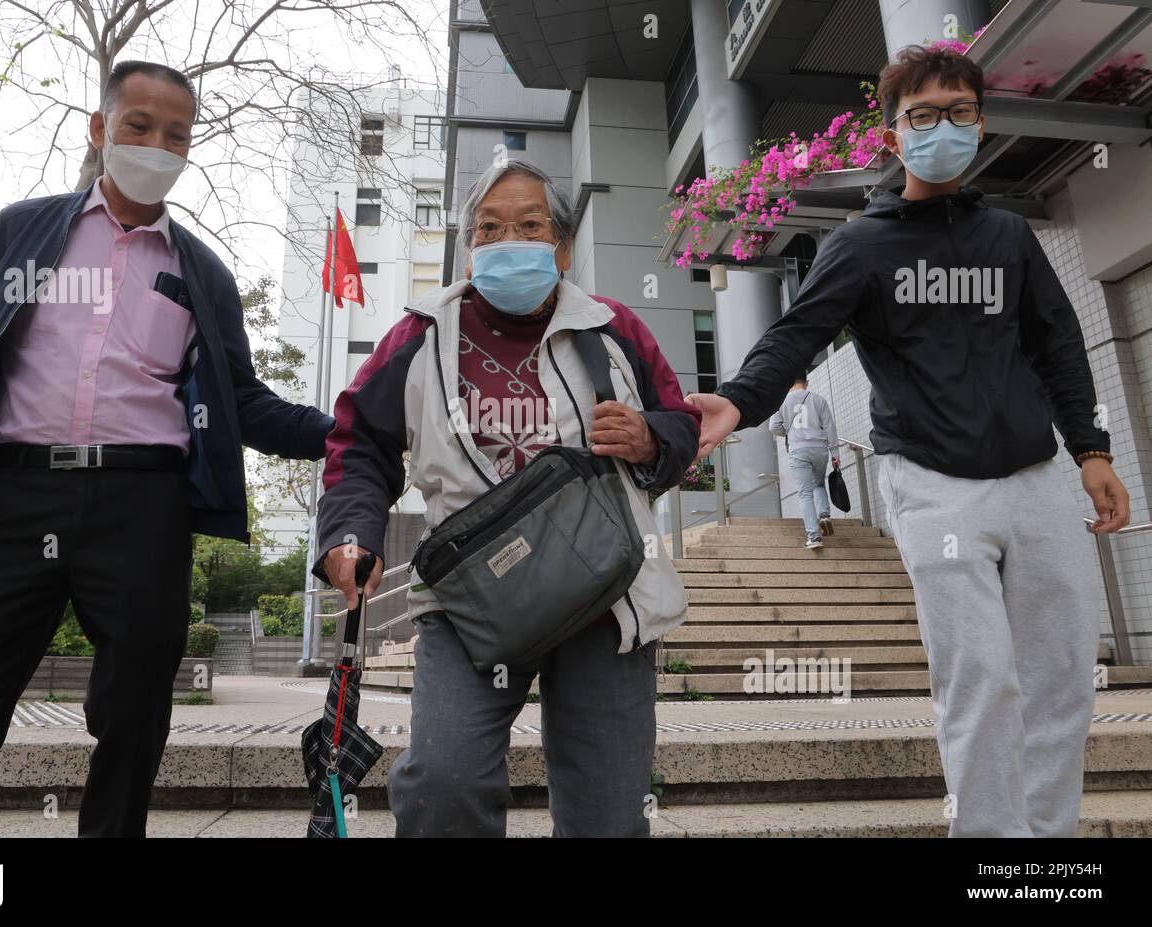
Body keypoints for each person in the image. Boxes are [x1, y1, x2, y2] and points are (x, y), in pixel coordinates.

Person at [0, 61, 333, 838]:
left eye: (175, 134)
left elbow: (243, 402)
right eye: (138, 126)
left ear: (189, 149)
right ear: (100, 129)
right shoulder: (22, 231)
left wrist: (352, 427)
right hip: (11, 497)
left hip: (141, 504)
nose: (155, 144)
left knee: (134, 717)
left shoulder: (202, 274)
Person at [685, 45, 1129, 837]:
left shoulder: (1008, 236)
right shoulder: (859, 246)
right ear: (893, 137)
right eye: (922, 116)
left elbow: (1058, 345)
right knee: (981, 678)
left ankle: (1045, 851)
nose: (944, 128)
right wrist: (740, 403)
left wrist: (1092, 450)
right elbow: (795, 334)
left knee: (1062, 675)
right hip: (932, 485)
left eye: (960, 112)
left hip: (1035, 476)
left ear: (980, 122)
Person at [314, 159, 700, 837]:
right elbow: (360, 443)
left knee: (609, 816)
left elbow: (681, 426)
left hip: (604, 596)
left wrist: (647, 439)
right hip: (471, 601)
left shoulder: (613, 331)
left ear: (564, 247)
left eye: (530, 225)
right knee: (442, 783)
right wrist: (351, 531)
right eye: (489, 229)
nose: (507, 241)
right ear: (469, 247)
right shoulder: (420, 335)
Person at [769, 371, 840, 548]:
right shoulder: (819, 400)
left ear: (789, 383)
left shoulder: (782, 401)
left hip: (798, 450)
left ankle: (814, 537)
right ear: (806, 382)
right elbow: (829, 427)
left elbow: (774, 426)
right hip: (820, 449)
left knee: (805, 493)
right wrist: (835, 453)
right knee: (818, 484)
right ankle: (824, 515)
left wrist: (787, 432)